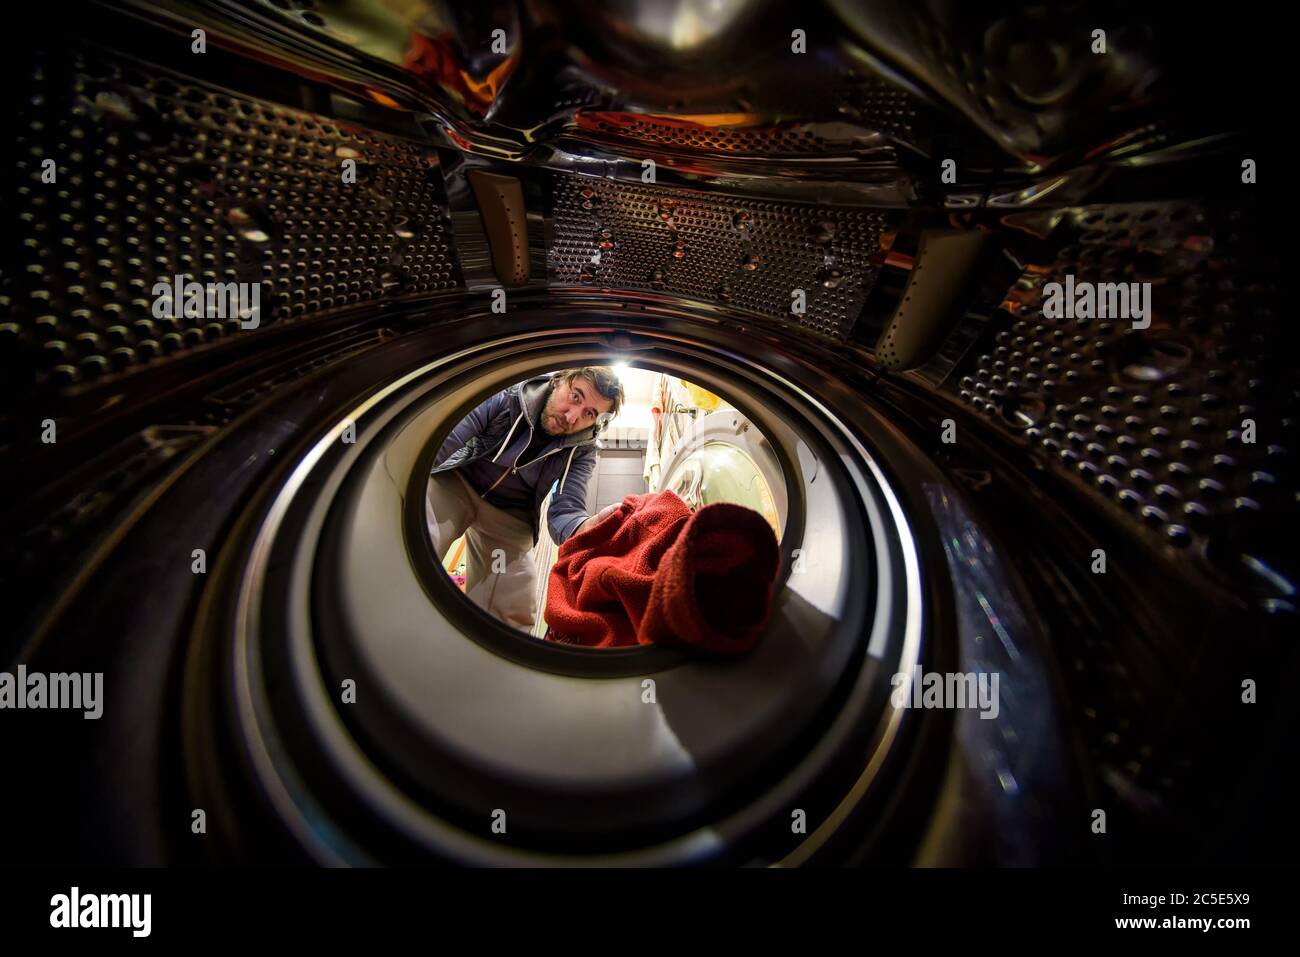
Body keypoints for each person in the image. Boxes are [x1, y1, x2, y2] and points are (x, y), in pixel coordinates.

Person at [426, 367, 625, 630]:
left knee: (514, 602)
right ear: (558, 381)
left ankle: (484, 665)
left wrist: (586, 528)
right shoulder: (509, 393)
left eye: (590, 413)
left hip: (511, 514)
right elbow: (447, 441)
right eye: (575, 396)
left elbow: (565, 510)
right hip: (459, 481)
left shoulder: (583, 449)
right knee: (420, 529)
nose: (572, 416)